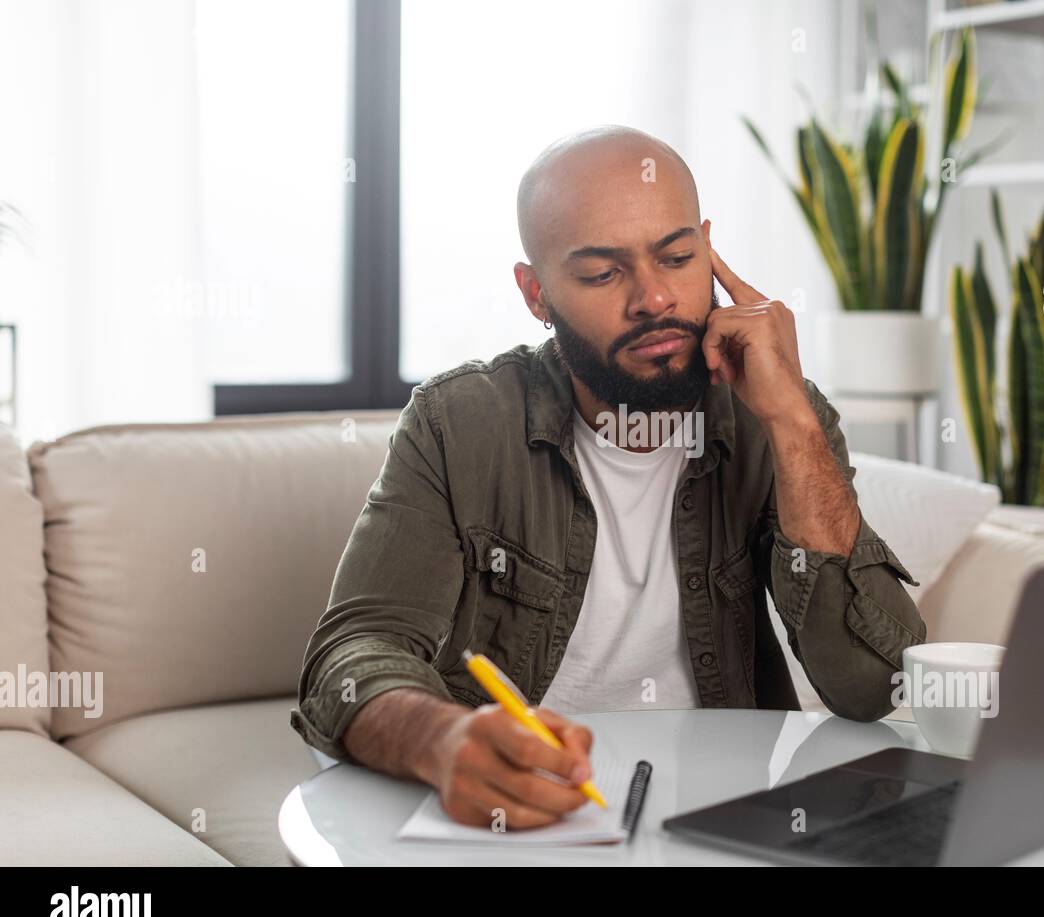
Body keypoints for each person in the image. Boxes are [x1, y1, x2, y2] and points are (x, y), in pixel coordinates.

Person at [290, 125, 926, 829]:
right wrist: (441, 740)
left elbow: (876, 684)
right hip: (532, 818)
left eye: (678, 257)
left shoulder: (777, 421)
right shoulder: (457, 424)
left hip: (723, 816)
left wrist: (795, 425)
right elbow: (352, 656)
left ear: (710, 250)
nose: (654, 298)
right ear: (536, 293)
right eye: (602, 273)